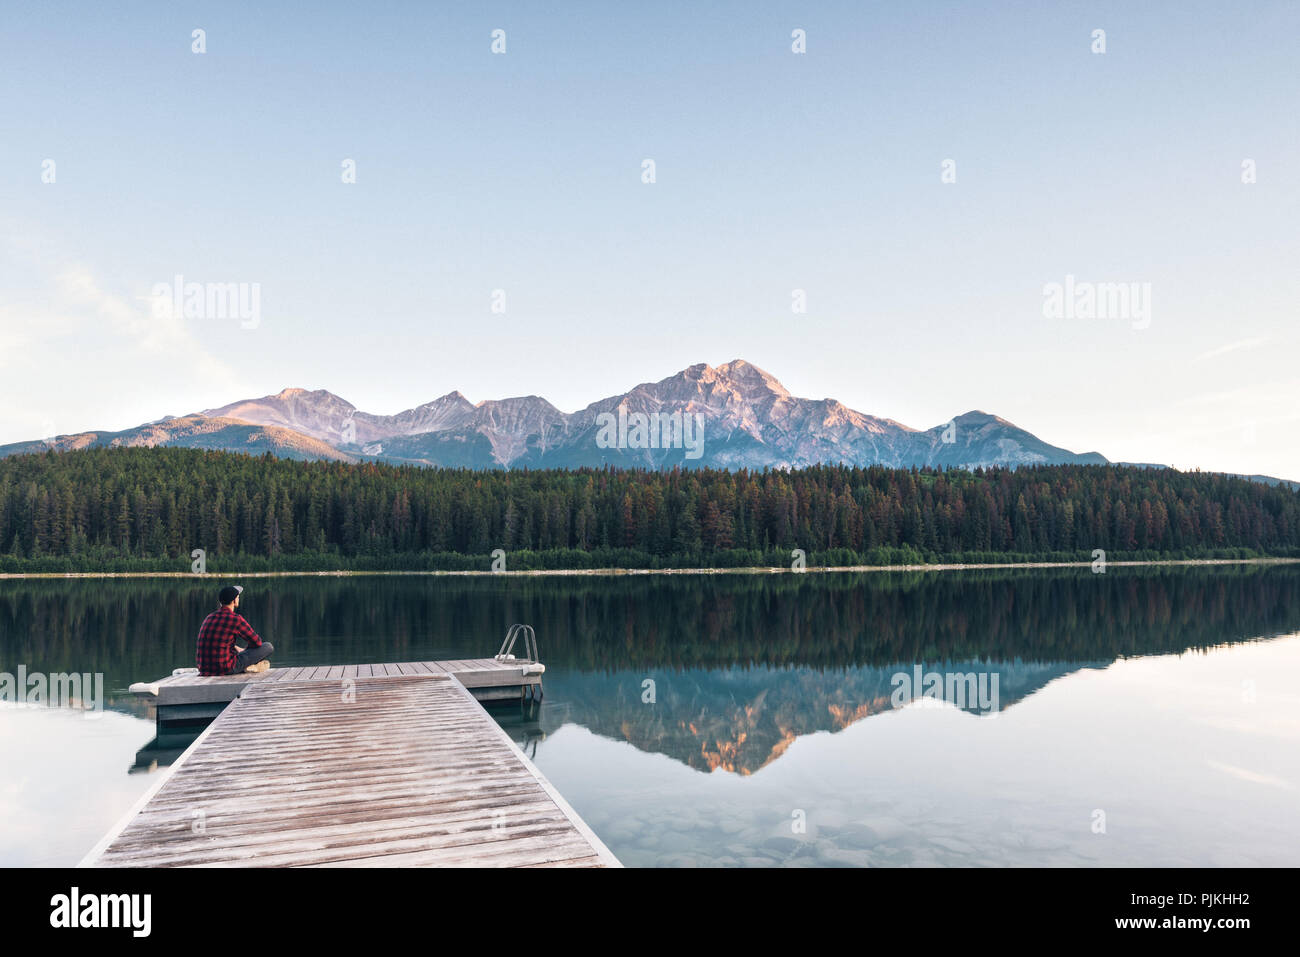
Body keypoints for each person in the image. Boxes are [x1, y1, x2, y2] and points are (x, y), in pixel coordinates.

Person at [196, 585, 275, 676]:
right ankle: (251, 666)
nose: (238, 599)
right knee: (268, 646)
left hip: (204, 669)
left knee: (239, 652)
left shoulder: (209, 617)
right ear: (234, 600)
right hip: (225, 668)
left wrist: (238, 649)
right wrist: (246, 650)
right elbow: (257, 642)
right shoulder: (235, 619)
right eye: (238, 597)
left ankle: (250, 665)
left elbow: (217, 643)